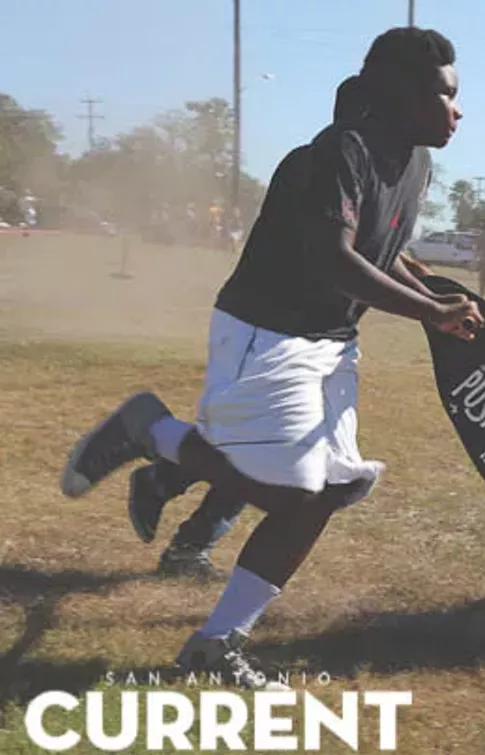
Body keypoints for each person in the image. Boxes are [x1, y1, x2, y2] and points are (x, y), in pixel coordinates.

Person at [59, 27, 484, 689]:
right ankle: (153, 430)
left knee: (329, 492)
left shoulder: (417, 164)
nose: (458, 110)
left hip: (331, 341)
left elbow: (378, 242)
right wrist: (428, 311)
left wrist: (426, 287)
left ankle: (216, 641)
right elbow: (332, 257)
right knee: (287, 493)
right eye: (444, 95)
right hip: (268, 330)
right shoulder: (338, 150)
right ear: (399, 94)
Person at [124, 70, 376, 582]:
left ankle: (170, 490)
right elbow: (334, 253)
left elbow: (369, 248)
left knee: (275, 451)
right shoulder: (316, 165)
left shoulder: (358, 170)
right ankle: (161, 461)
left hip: (310, 334)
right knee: (274, 454)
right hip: (274, 327)